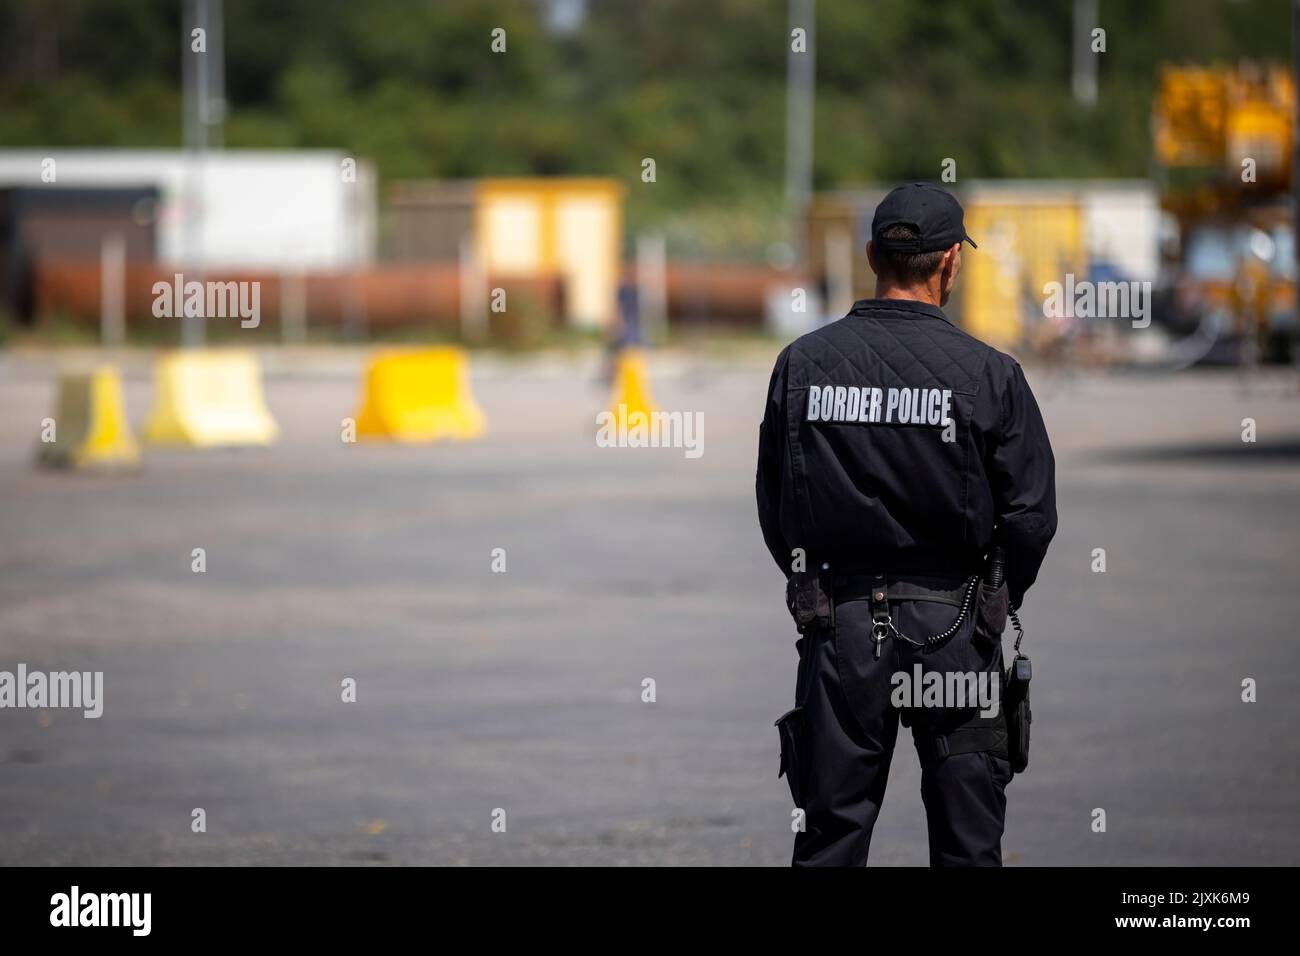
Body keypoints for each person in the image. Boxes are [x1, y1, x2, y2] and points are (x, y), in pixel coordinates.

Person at [756, 182, 1057, 867]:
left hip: (843, 633)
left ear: (871, 255)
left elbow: (776, 504)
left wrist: (816, 591)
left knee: (829, 838)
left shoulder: (800, 365)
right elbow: (1032, 514)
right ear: (951, 261)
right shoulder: (991, 375)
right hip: (956, 634)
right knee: (968, 842)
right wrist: (995, 596)